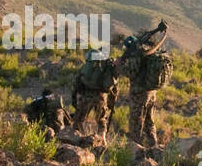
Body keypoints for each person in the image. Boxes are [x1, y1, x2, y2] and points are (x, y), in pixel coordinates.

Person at [119, 20, 168, 149]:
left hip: (139, 92)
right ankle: (153, 145)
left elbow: (132, 73)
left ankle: (136, 147)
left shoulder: (136, 54)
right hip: (151, 92)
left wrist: (120, 67)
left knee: (136, 119)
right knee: (149, 119)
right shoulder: (149, 51)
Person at [71, 47, 117, 145]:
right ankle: (103, 139)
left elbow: (76, 83)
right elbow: (113, 87)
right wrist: (111, 104)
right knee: (101, 120)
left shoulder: (86, 67)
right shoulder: (107, 68)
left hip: (86, 96)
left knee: (79, 119)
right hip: (101, 97)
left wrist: (74, 98)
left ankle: (79, 138)